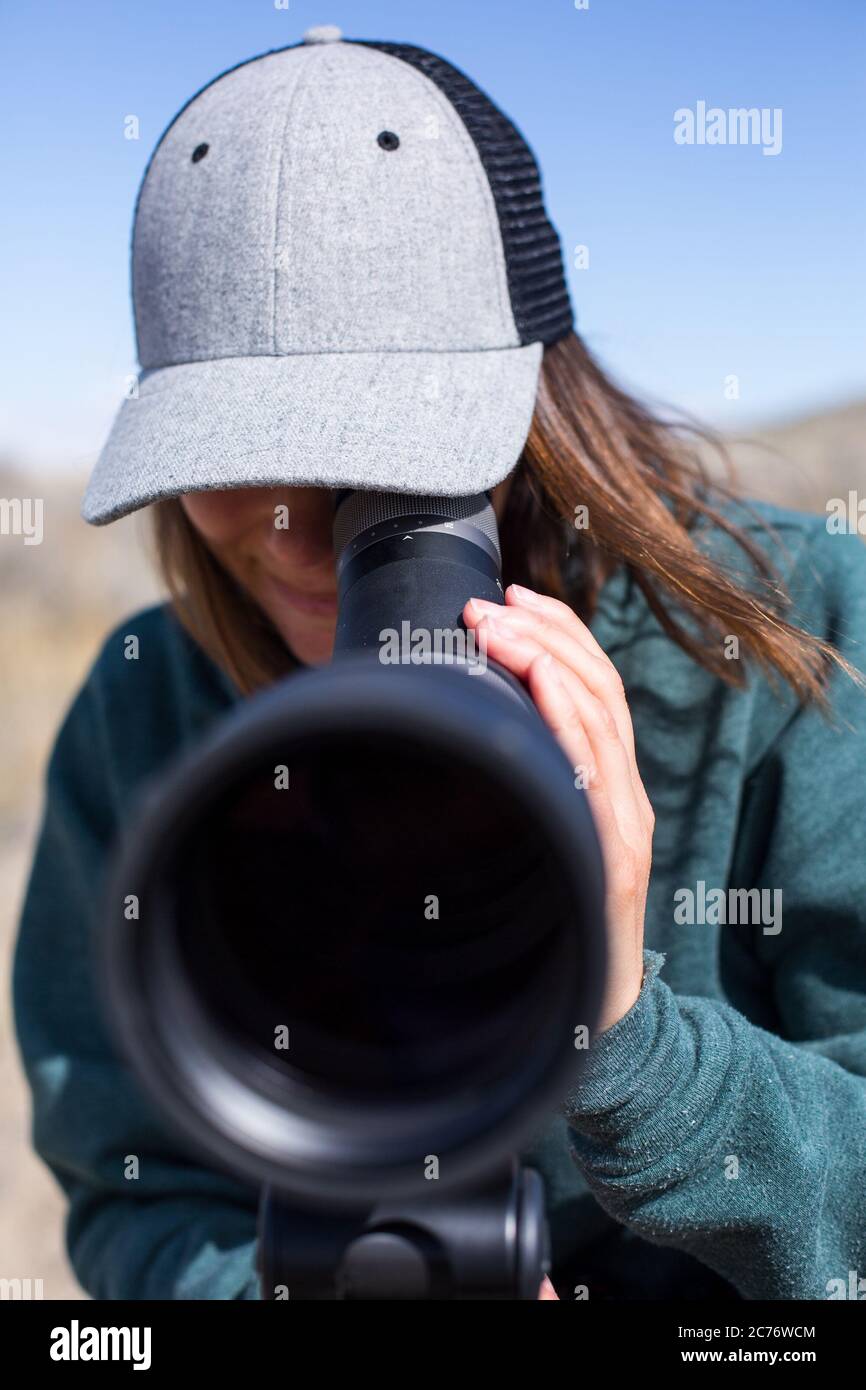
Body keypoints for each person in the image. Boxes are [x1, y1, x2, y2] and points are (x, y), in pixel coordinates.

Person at [13, 27, 866, 1302]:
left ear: (539, 401)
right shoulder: (149, 706)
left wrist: (622, 1029)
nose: (300, 525)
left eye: (382, 448)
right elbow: (136, 1185)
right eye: (231, 454)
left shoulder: (792, 635)